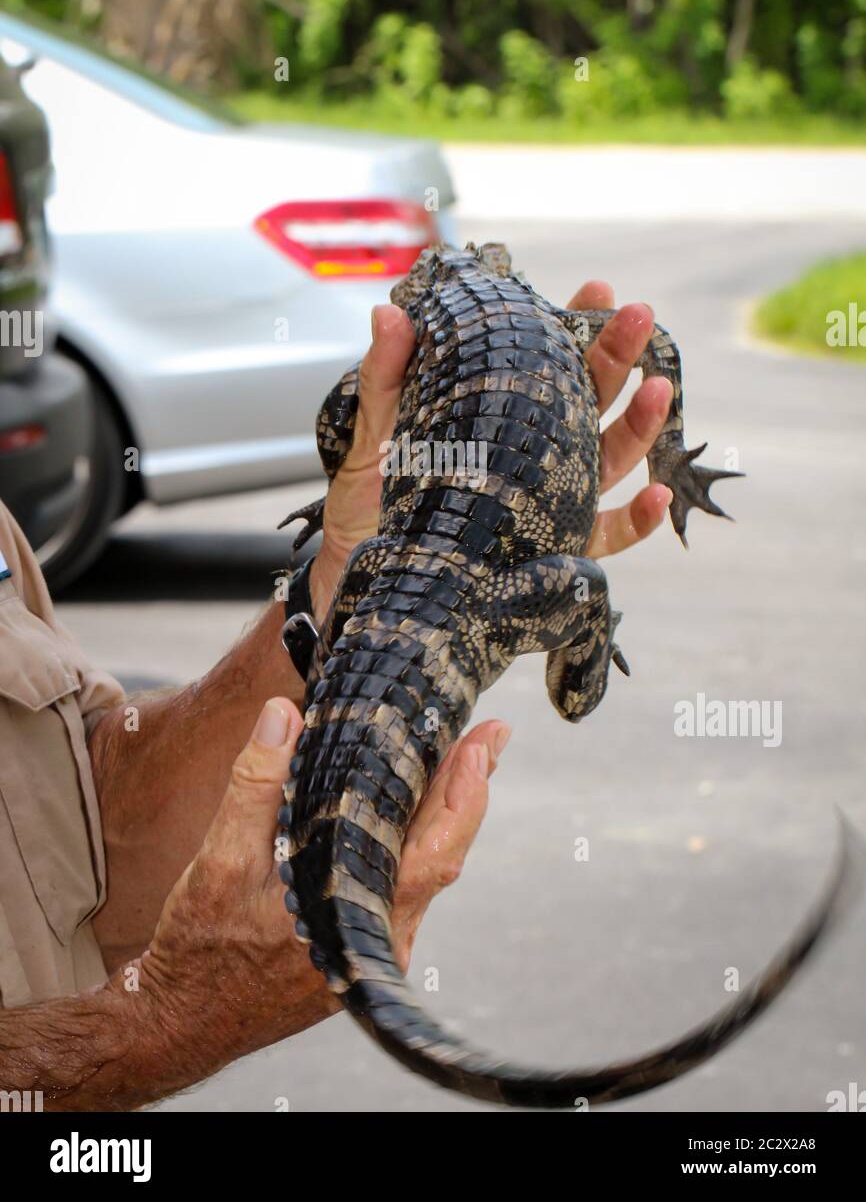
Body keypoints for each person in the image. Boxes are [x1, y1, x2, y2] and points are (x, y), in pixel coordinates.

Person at [0, 285, 673, 1110]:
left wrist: (333, 575)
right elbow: (660, 347)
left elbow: (69, 798)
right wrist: (165, 1025)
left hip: (441, 544)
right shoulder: (564, 330)